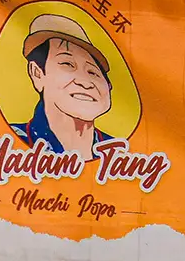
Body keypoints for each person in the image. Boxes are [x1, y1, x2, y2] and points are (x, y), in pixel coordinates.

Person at [10, 14, 115, 158]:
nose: (84, 82)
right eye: (67, 64)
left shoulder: (120, 151)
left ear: (108, 86)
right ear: (37, 73)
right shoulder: (10, 141)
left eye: (93, 72)